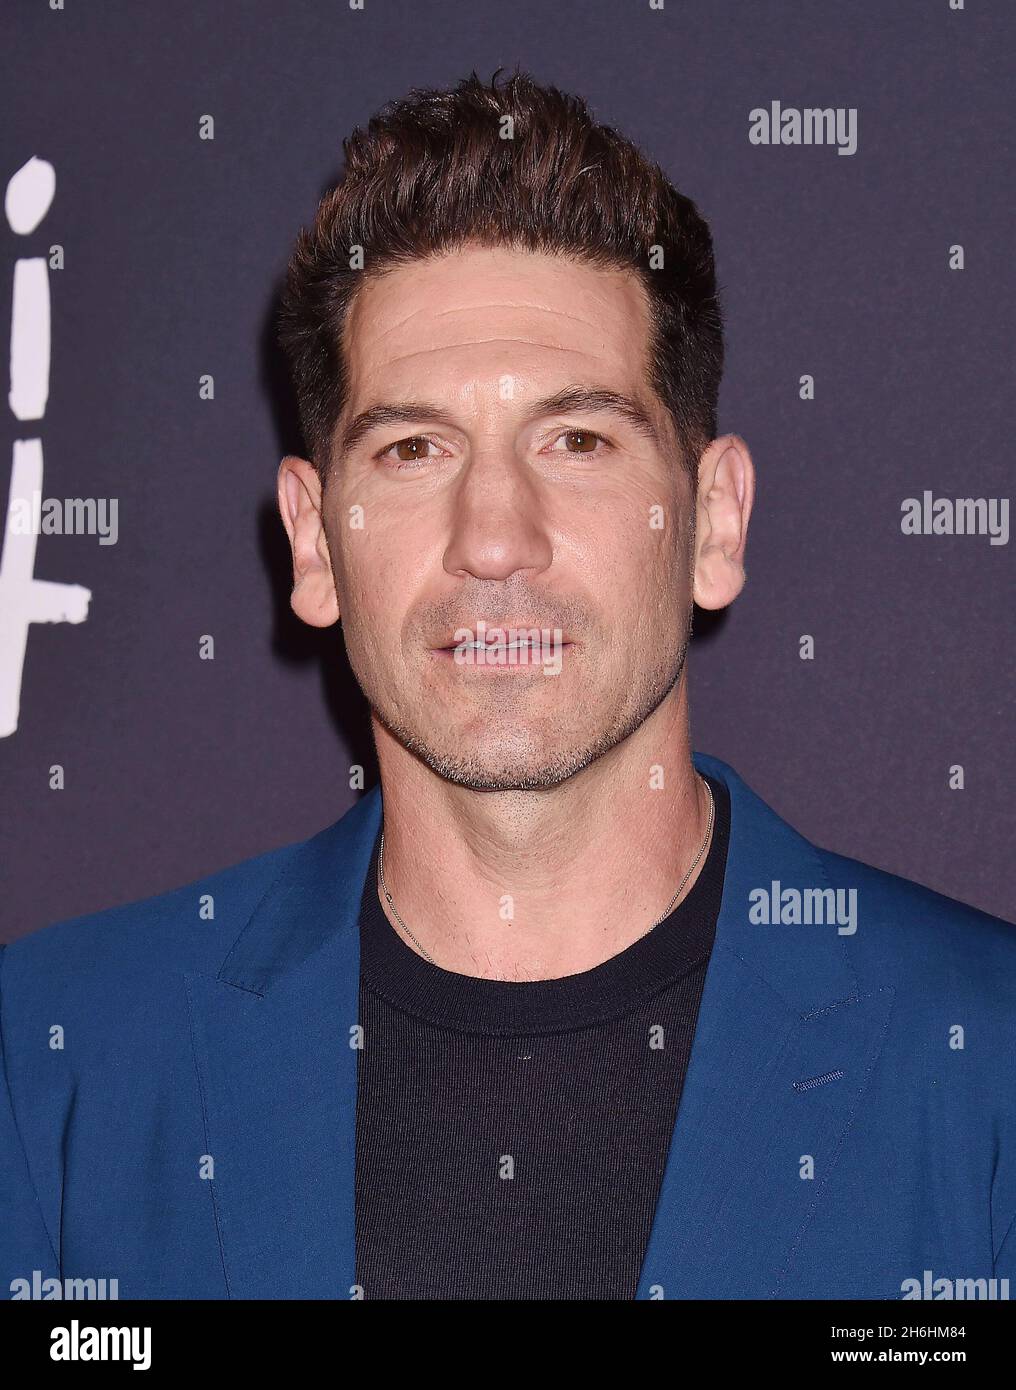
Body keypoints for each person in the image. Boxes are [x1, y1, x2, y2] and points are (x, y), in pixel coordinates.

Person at [3, 70, 1014, 1302]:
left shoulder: (984, 1058)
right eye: (413, 449)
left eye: (576, 441)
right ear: (316, 542)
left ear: (712, 522)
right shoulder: (54, 1062)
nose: (494, 537)